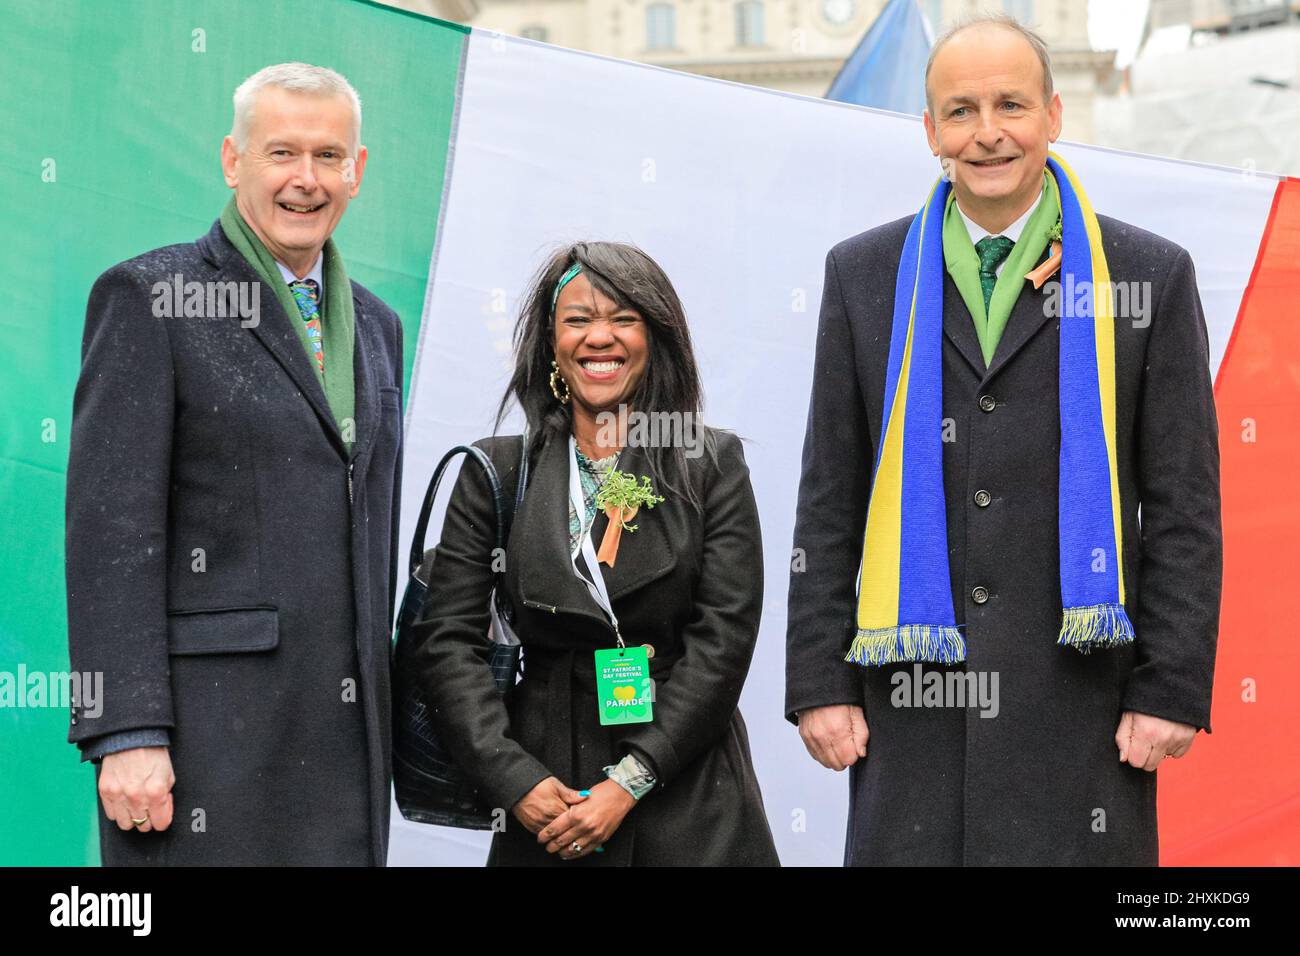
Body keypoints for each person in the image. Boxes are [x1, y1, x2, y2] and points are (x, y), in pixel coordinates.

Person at [785, 14, 1221, 866]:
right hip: (911, 716)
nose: (987, 133)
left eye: (1011, 105)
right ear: (929, 130)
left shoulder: (1147, 277)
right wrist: (818, 684)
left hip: (1082, 716)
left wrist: (1170, 687)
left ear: (1054, 116)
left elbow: (1182, 509)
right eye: (961, 110)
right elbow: (829, 496)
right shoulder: (861, 276)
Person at [65, 62, 404, 865]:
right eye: (280, 152)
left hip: (348, 748)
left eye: (328, 156)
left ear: (358, 171)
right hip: (206, 747)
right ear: (232, 160)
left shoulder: (379, 325)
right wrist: (127, 731)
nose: (305, 179)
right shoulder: (152, 295)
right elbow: (110, 531)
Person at [405, 242, 779, 865]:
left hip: (686, 788)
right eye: (577, 320)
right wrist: (514, 780)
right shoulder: (497, 471)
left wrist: (631, 780)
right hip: (548, 795)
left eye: (623, 320)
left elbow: (724, 643)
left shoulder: (710, 464)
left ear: (655, 338)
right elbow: (448, 642)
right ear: (552, 345)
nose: (599, 338)